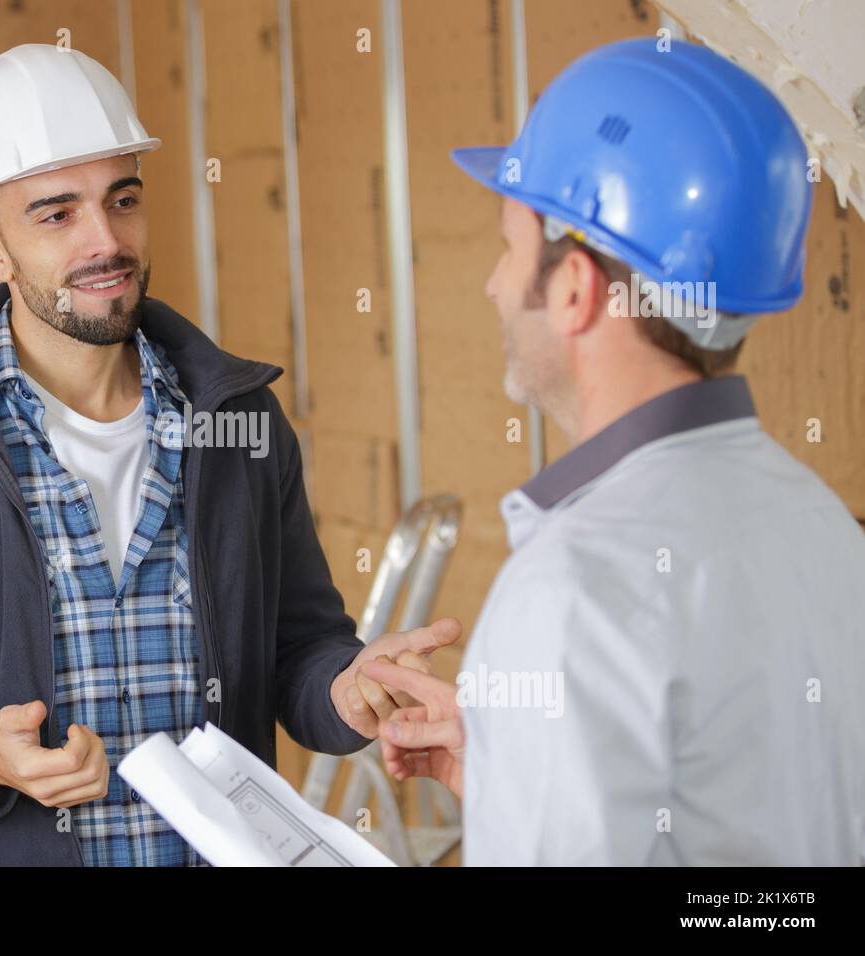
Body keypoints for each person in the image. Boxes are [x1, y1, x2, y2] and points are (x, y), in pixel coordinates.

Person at [0, 43, 440, 866]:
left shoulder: (237, 420)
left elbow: (298, 652)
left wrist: (347, 688)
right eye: (56, 214)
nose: (105, 241)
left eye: (122, 200)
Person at [365, 37, 865, 865]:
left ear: (573, 290)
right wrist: (521, 773)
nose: (494, 286)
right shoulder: (825, 525)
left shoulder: (572, 594)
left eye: (509, 247)